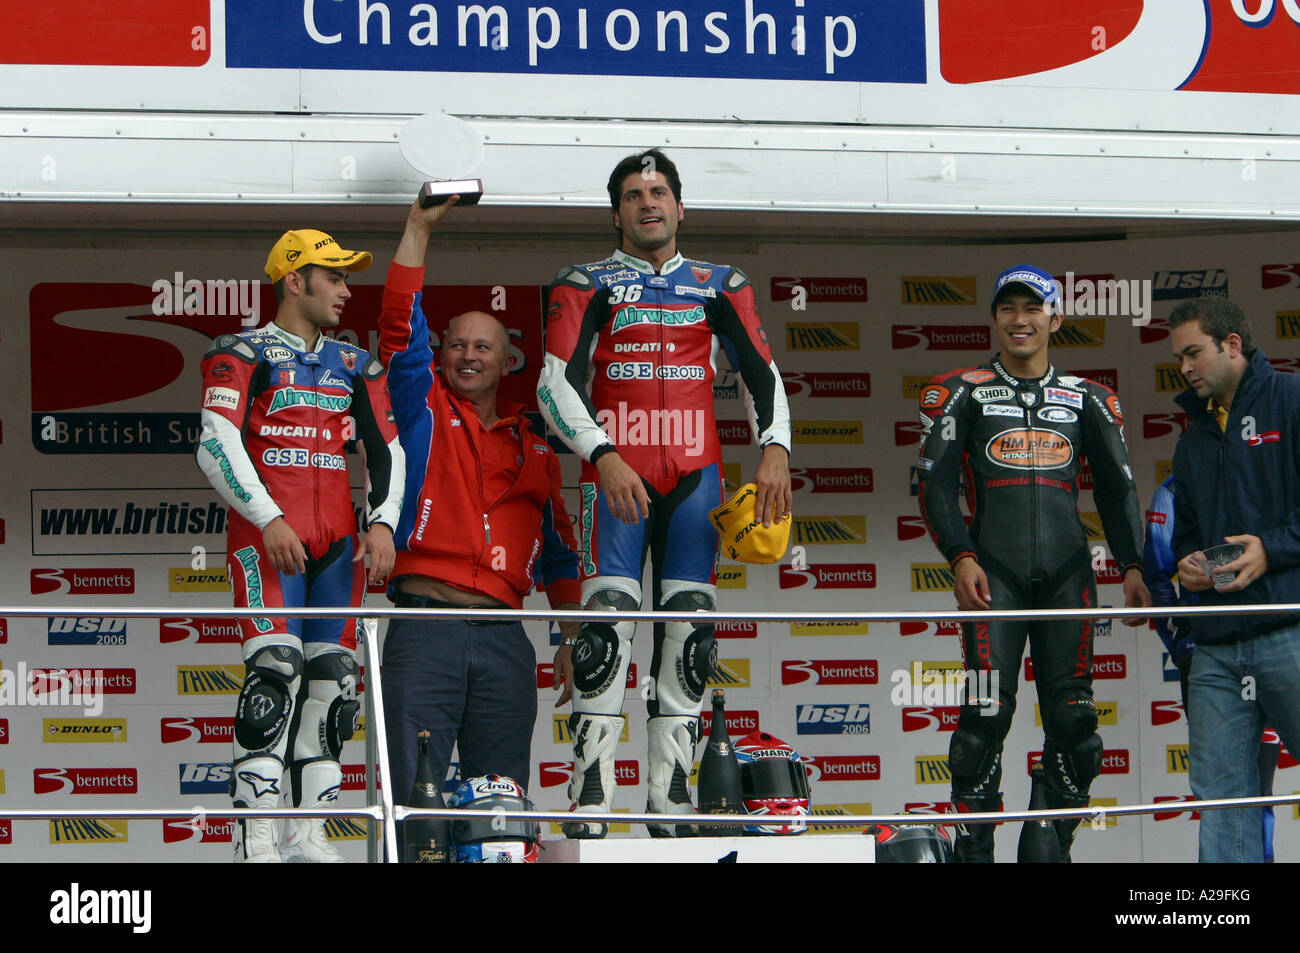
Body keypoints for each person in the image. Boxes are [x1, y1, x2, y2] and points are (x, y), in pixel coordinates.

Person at [537, 148, 792, 837]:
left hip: (694, 478)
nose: (647, 203)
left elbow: (763, 377)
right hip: (612, 475)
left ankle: (670, 801)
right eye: (632, 194)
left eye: (658, 192)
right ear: (616, 213)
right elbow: (553, 383)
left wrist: (775, 448)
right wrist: (604, 453)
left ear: (680, 207)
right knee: (603, 631)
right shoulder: (583, 280)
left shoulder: (720, 282)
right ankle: (590, 802)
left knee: (690, 636)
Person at [915, 264, 1150, 862]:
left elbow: (1119, 490)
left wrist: (1132, 566)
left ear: (1055, 318)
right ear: (994, 318)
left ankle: (1048, 845)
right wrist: (960, 556)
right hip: (994, 573)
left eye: (1033, 308)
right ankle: (974, 853)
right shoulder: (960, 391)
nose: (1020, 320)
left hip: (1070, 576)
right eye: (1008, 310)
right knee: (983, 716)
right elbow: (935, 484)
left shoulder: (1091, 398)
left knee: (1075, 721)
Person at [196, 229, 405, 863]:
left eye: (347, 277)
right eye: (334, 276)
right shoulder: (241, 353)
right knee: (274, 675)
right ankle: (256, 842)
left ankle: (308, 836)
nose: (346, 290)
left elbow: (387, 452)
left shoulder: (354, 364)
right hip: (269, 544)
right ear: (295, 280)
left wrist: (383, 523)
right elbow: (215, 443)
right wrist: (267, 516)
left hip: (338, 547)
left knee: (333, 684)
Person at [376, 197, 582, 828]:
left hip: (504, 639)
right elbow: (397, 331)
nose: (468, 355)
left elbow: (561, 555)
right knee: (417, 808)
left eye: (483, 347)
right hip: (426, 629)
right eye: (457, 345)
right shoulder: (423, 411)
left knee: (503, 811)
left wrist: (571, 640)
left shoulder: (535, 445)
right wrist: (418, 228)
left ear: (506, 359)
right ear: (442, 357)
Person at [1168, 296, 1300, 863]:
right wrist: (1188, 566)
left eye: (1194, 353)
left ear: (1232, 345)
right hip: (1218, 646)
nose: (1186, 367)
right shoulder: (1193, 436)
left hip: (1289, 626)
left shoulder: (1292, 399)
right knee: (1223, 800)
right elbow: (1187, 532)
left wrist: (1271, 550)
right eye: (1179, 359)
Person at [1144, 474, 1281, 861]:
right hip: (1210, 657)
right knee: (1226, 789)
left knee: (1261, 784)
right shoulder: (1171, 492)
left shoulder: (1266, 478)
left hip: (1273, 646)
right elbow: (1158, 582)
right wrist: (1184, 645)